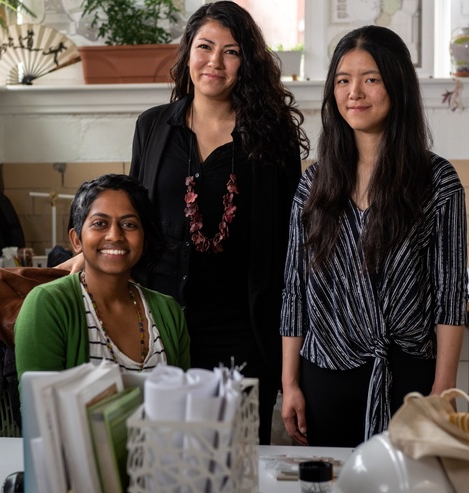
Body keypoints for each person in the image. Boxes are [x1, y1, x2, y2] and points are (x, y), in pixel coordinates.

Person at [128, 1, 310, 445]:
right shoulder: (153, 127)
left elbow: (289, 250)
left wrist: (291, 366)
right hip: (160, 327)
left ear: (245, 63)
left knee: (234, 463)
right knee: (163, 462)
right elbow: (131, 218)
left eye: (231, 52)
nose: (215, 61)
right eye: (205, 46)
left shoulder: (272, 137)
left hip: (242, 333)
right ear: (187, 52)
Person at [280, 25, 468, 448]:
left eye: (371, 79)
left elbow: (450, 294)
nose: (354, 93)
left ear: (397, 85)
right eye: (343, 81)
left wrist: (444, 388)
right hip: (325, 374)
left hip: (409, 379)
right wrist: (289, 383)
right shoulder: (313, 185)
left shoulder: (438, 183)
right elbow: (294, 290)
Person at [15, 174, 191, 378]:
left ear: (145, 240)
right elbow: (39, 406)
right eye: (100, 223)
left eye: (129, 224)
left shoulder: (169, 312)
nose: (115, 235)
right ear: (76, 240)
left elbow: (182, 398)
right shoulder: (47, 305)